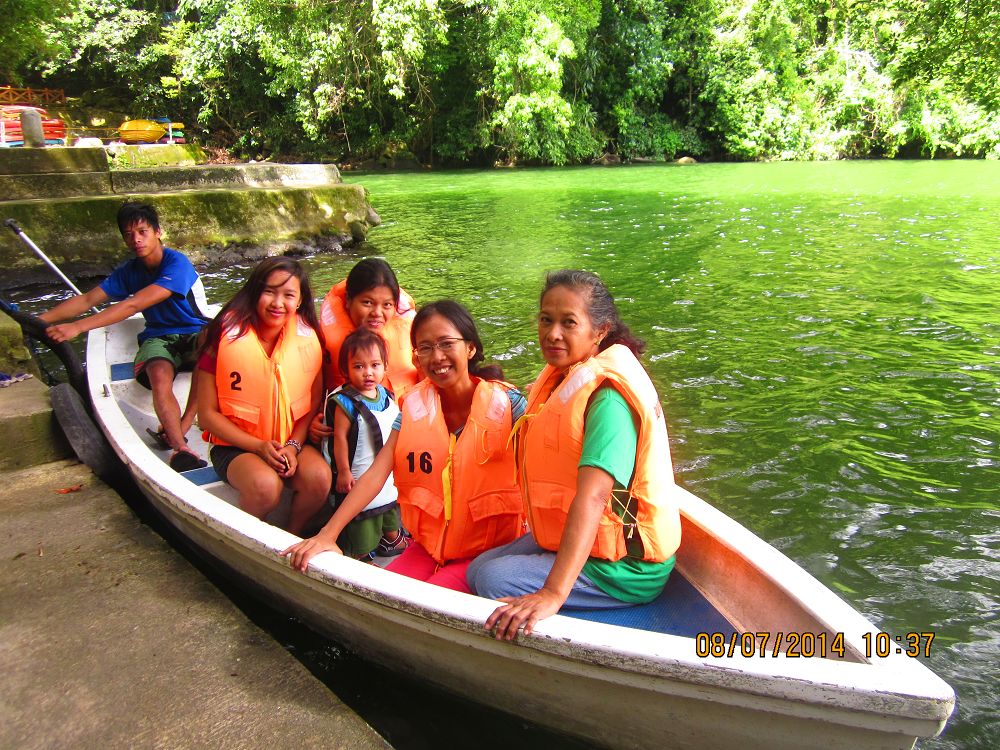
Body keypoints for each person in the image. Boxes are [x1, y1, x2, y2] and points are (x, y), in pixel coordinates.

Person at [467, 270, 682, 640]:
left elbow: (596, 496)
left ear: (599, 331)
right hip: (586, 535)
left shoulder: (609, 398)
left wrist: (552, 593)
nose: (553, 333)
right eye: (546, 320)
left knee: (489, 579)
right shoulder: (569, 374)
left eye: (569, 323)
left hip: (625, 566)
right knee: (477, 569)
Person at [284, 300, 526, 593]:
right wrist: (328, 534)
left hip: (486, 552)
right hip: (429, 547)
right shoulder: (414, 408)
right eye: (425, 348)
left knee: (423, 600)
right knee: (377, 596)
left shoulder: (509, 406)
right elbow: (376, 473)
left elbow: (542, 473)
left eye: (446, 343)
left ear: (470, 348)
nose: (437, 356)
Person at [40, 201, 210, 472]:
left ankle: (186, 421)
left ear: (158, 232)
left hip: (194, 333)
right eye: (129, 235)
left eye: (142, 232)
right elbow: (86, 299)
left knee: (212, 339)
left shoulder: (177, 263)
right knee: (158, 375)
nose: (136, 240)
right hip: (158, 337)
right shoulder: (130, 271)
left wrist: (78, 327)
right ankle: (181, 448)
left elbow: (133, 305)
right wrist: (38, 321)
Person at [196, 257, 330, 536]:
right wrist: (258, 446)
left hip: (290, 443)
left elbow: (311, 404)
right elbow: (206, 416)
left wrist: (293, 446)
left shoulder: (309, 338)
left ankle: (291, 536)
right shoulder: (221, 335)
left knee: (320, 479)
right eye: (269, 291)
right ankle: (245, 540)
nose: (277, 303)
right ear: (255, 291)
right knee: (266, 487)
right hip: (236, 446)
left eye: (288, 295)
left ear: (300, 300)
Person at [323, 328, 410, 561]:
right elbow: (339, 438)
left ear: (385, 366)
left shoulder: (386, 395)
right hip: (357, 472)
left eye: (374, 365)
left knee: (389, 505)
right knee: (363, 514)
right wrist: (342, 472)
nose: (368, 373)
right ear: (346, 370)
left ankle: (392, 539)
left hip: (386, 473)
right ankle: (362, 554)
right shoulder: (345, 402)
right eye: (359, 366)